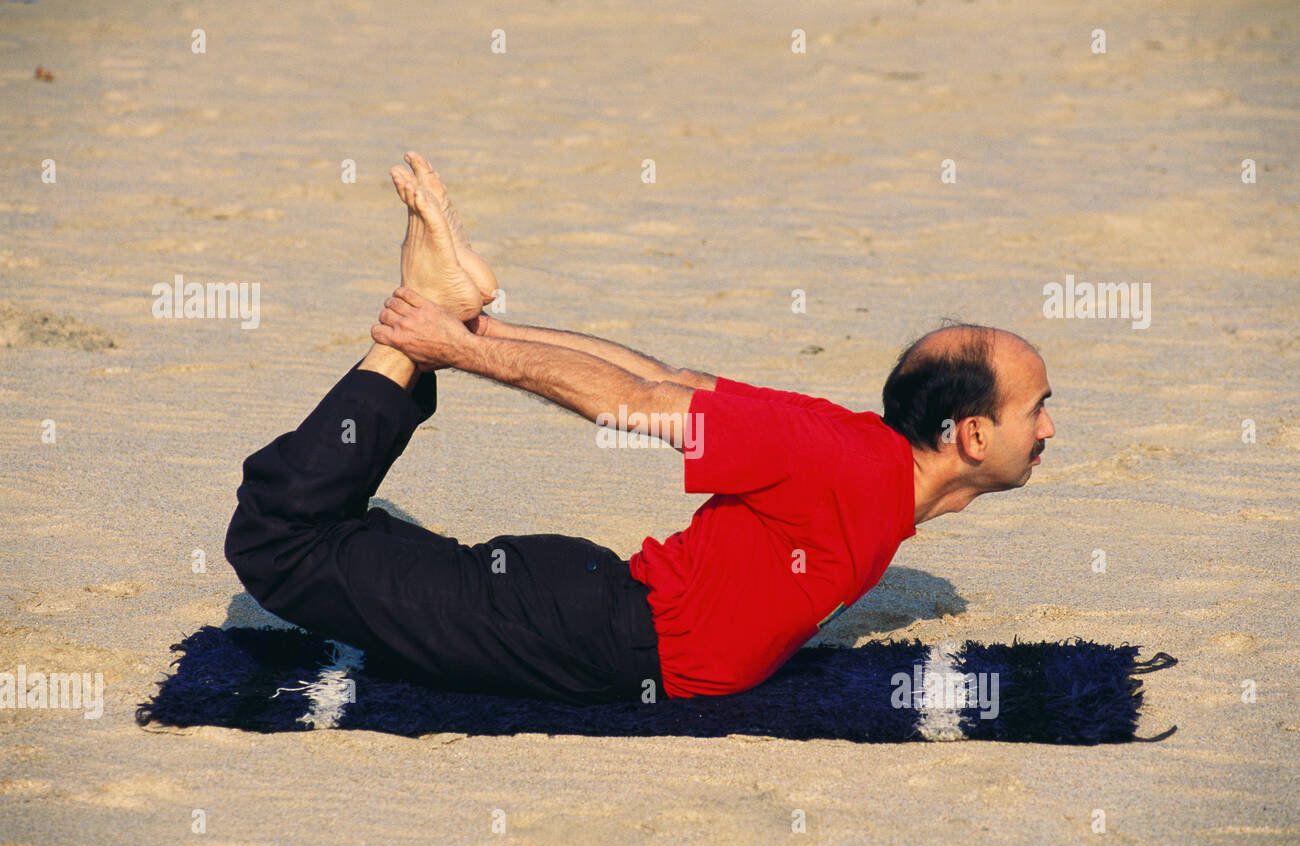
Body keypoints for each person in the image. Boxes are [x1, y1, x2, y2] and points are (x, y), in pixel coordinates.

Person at [224, 151, 1055, 706]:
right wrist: (454, 348)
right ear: (972, 436)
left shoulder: (867, 458)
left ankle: (434, 314)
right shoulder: (842, 460)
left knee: (327, 542)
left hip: (588, 608)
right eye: (1037, 406)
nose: (1050, 426)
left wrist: (482, 332)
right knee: (276, 540)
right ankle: (404, 339)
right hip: (585, 632)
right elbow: (637, 402)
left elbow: (672, 379)